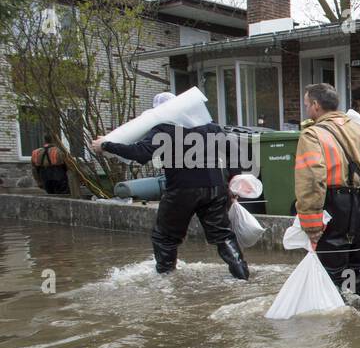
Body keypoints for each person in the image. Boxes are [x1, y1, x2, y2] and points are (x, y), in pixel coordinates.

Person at [93, 92, 249, 279]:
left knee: (164, 238)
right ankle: (242, 276)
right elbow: (233, 155)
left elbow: (141, 153)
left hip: (182, 191)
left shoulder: (164, 129)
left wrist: (106, 145)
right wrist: (233, 182)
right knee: (223, 236)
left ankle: (166, 281)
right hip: (215, 189)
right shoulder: (211, 128)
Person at [292, 82, 360, 309]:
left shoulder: (312, 134)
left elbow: (313, 179)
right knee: (355, 267)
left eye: (306, 105)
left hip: (337, 207)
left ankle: (340, 322)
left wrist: (312, 224)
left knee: (329, 272)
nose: (306, 110)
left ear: (315, 105)